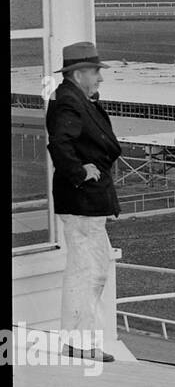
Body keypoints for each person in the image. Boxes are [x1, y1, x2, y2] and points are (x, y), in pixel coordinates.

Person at [46, 41, 123, 363]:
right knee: (87, 272)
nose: (99, 79)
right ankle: (80, 344)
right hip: (81, 202)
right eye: (95, 72)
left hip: (86, 202)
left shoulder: (75, 98)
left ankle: (79, 342)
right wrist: (80, 173)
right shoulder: (68, 101)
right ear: (78, 74)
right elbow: (59, 143)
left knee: (93, 269)